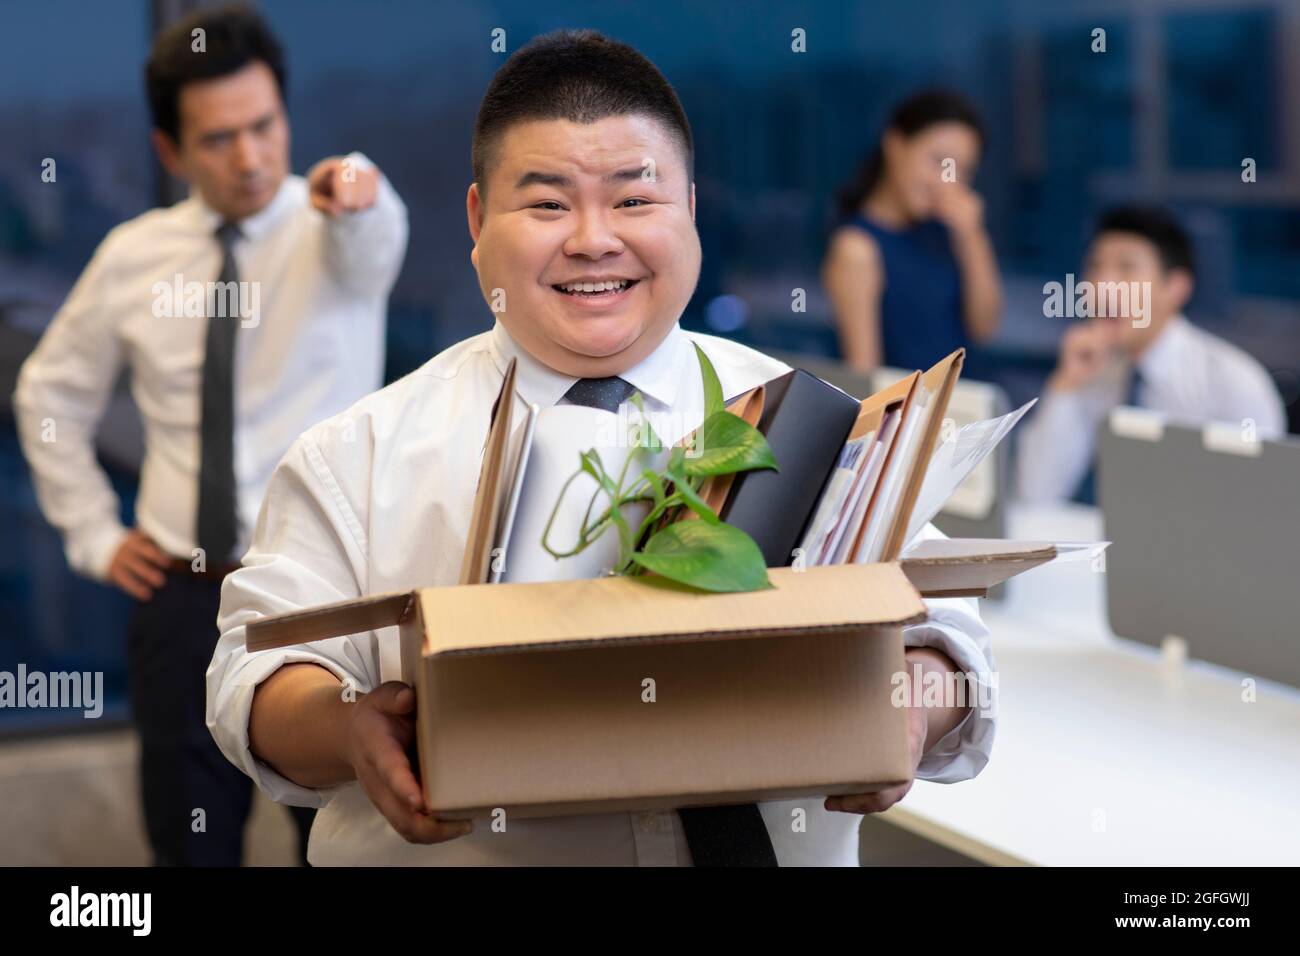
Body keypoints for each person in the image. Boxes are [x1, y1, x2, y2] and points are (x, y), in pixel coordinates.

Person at [206, 29, 995, 867]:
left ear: (689, 208)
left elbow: (952, 639)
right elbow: (251, 680)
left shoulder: (821, 424)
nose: (592, 239)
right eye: (547, 204)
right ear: (477, 220)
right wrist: (348, 727)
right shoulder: (358, 451)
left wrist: (908, 708)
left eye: (633, 200)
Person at [12, 4, 408, 865]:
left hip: (325, 592)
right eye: (220, 138)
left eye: (264, 126)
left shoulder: (333, 229)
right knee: (190, 845)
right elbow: (49, 392)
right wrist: (93, 535)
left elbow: (375, 235)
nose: (251, 156)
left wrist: (359, 189)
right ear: (171, 151)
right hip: (181, 599)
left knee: (349, 841)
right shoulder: (133, 256)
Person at [1017, 206, 1286, 504]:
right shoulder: (1095, 371)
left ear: (1175, 288)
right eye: (1095, 268)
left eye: (1127, 269)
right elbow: (1035, 494)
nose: (1103, 287)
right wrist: (1065, 384)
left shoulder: (1232, 382)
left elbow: (1265, 506)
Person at [823, 89, 1002, 373]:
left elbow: (984, 328)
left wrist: (973, 237)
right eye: (938, 162)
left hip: (965, 407)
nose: (947, 181)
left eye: (962, 171)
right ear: (894, 146)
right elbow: (863, 375)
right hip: (913, 414)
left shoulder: (946, 233)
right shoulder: (857, 248)